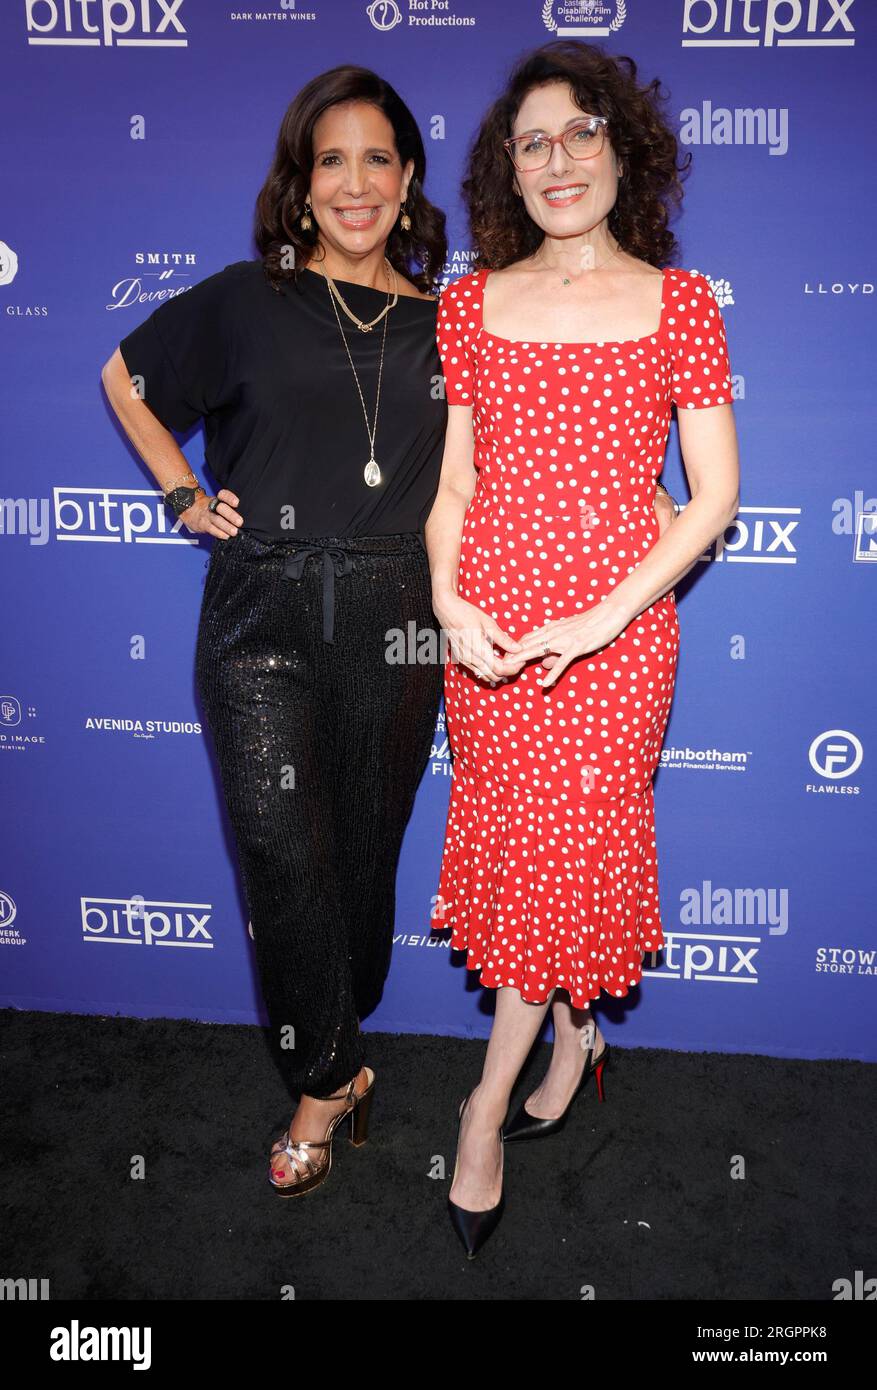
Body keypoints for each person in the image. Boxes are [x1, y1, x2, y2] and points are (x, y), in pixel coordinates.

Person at [101, 65, 449, 1197]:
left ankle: (345, 1047)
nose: (355, 183)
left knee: (359, 857)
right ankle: (327, 1075)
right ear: (301, 186)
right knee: (277, 853)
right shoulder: (249, 296)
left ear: (407, 180)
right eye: (330, 160)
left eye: (377, 159)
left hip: (400, 618)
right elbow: (126, 374)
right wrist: (180, 493)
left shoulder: (453, 324)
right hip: (260, 610)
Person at [424, 40, 740, 1257]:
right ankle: (574, 1032)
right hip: (491, 634)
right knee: (520, 854)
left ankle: (483, 1110)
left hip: (613, 636)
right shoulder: (469, 301)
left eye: (582, 132)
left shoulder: (680, 302)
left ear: (625, 148)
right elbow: (452, 490)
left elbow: (710, 497)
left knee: (568, 848)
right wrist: (451, 604)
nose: (559, 159)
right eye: (532, 140)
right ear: (509, 168)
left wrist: (608, 612)